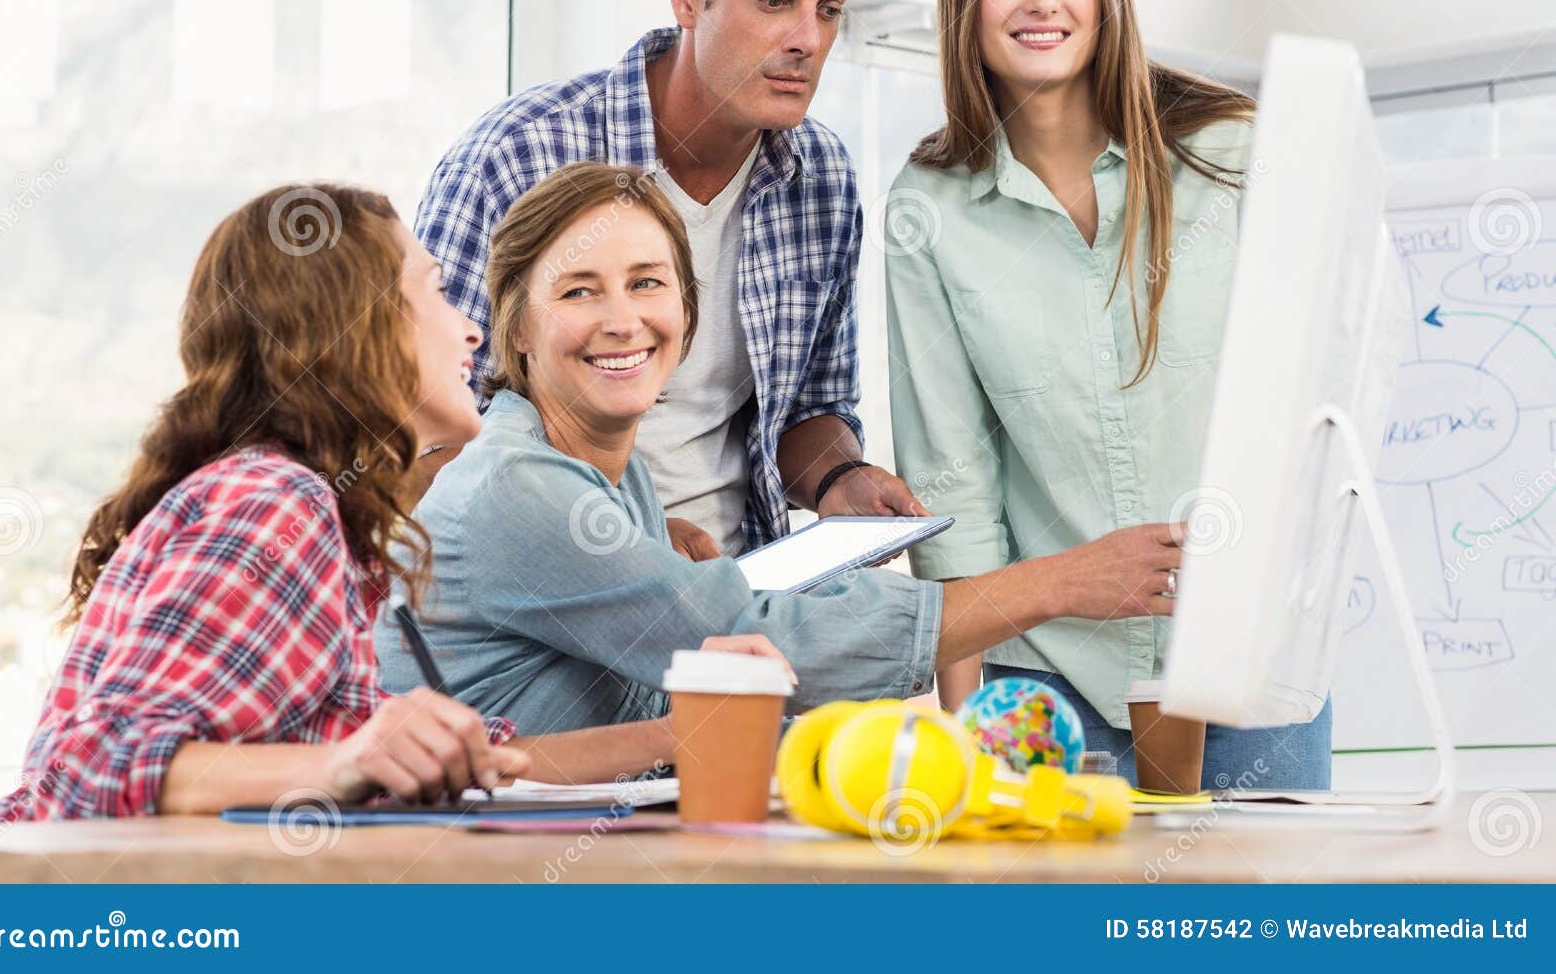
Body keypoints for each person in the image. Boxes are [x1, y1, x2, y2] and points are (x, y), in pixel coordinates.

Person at [0, 182, 774, 821]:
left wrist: (691, 731)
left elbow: (477, 766)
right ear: (361, 330)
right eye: (434, 294)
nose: (470, 330)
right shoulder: (270, 501)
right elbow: (90, 767)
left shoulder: (325, 521)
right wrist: (342, 763)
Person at [375, 162, 1188, 733]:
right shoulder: (520, 485)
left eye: (648, 282)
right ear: (516, 328)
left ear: (686, 313)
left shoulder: (611, 482)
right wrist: (1063, 582)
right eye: (580, 290)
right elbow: (753, 639)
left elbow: (682, 656)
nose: (623, 319)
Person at [884, 0, 1330, 788]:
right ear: (967, 5)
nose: (1041, 1)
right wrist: (968, 729)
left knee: (1259, 926)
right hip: (1044, 683)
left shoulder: (1232, 154)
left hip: (1246, 665)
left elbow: (1312, 393)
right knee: (1048, 933)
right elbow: (952, 478)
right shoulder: (930, 211)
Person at [414, 0, 925, 561]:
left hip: (734, 597)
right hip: (543, 592)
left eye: (828, 9)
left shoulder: (823, 178)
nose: (806, 39)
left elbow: (807, 411)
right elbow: (422, 437)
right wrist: (628, 536)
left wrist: (841, 478)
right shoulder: (519, 155)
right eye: (774, 0)